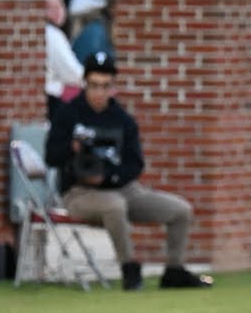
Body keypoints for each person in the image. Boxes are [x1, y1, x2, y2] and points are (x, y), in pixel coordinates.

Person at [45, 52, 213, 291]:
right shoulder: (68, 114)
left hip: (123, 187)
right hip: (80, 191)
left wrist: (111, 176)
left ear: (113, 86)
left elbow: (135, 164)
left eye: (105, 86)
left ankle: (174, 271)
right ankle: (129, 269)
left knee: (180, 211)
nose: (99, 92)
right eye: (93, 85)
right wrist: (71, 149)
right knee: (114, 206)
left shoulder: (122, 120)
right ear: (85, 83)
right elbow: (51, 157)